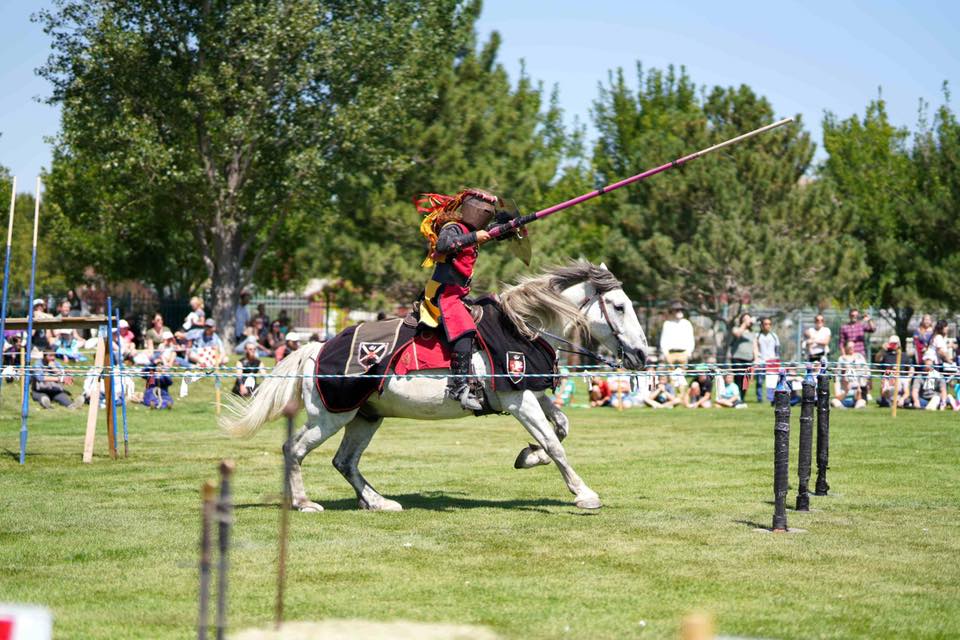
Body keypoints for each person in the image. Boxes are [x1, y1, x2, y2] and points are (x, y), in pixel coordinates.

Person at [416, 188, 499, 410]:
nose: (487, 215)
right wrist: (474, 237)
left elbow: (494, 231)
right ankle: (459, 387)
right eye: (485, 211)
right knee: (464, 329)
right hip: (443, 293)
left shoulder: (470, 231)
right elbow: (443, 245)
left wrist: (513, 226)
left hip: (458, 294)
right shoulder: (453, 228)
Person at [729, 313, 757, 398]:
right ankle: (738, 397)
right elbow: (738, 334)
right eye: (745, 319)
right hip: (737, 358)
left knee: (746, 380)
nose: (748, 320)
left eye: (749, 319)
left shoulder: (753, 333)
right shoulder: (736, 329)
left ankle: (742, 397)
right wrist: (744, 323)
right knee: (738, 378)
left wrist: (756, 359)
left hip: (749, 359)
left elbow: (755, 346)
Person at [659, 301, 695, 365]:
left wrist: (689, 353)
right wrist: (665, 353)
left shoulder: (687, 323)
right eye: (677, 310)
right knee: (670, 374)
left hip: (683, 353)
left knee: (681, 374)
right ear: (672, 311)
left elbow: (691, 339)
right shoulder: (667, 324)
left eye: (680, 310)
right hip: (670, 353)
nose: (679, 311)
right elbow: (663, 339)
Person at [755, 317, 780, 403]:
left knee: (771, 382)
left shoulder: (774, 336)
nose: (767, 326)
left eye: (769, 324)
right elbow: (755, 349)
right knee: (759, 381)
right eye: (765, 324)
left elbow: (777, 349)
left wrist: (776, 360)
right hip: (761, 361)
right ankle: (760, 399)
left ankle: (771, 398)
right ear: (761, 325)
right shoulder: (757, 336)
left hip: (772, 362)